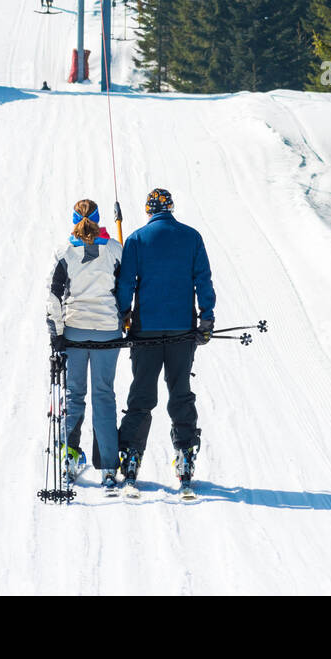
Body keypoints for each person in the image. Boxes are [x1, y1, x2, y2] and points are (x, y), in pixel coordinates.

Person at [116, 187, 215, 488]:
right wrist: (206, 317)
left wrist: (123, 314)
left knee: (142, 394)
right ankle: (185, 455)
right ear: (171, 207)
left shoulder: (135, 239)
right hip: (182, 330)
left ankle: (131, 455)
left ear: (148, 210)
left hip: (145, 330)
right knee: (180, 392)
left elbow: (125, 284)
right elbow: (203, 279)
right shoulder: (192, 237)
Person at [47, 199, 124, 491]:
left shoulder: (64, 252)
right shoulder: (115, 249)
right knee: (104, 395)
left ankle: (69, 457)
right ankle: (107, 468)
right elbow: (126, 286)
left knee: (74, 393)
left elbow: (53, 296)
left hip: (75, 331)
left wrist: (55, 332)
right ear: (99, 217)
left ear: (73, 219)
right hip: (107, 331)